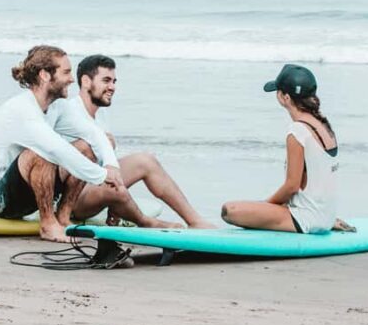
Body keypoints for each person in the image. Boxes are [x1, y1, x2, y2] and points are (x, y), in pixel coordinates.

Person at [0, 45, 125, 243]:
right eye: (66, 72)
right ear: (45, 75)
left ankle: (63, 217)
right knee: (42, 152)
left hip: (30, 192)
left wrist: (111, 165)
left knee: (86, 146)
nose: (72, 79)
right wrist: (101, 176)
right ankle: (48, 224)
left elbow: (94, 133)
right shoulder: (22, 109)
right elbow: (55, 149)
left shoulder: (56, 107)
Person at [70, 54, 215, 229]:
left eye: (114, 81)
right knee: (112, 184)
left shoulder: (100, 114)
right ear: (86, 81)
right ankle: (147, 222)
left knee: (146, 160)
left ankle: (195, 222)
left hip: (97, 184)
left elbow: (108, 164)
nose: (112, 87)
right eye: (106, 80)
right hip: (73, 198)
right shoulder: (68, 112)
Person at [220, 64, 353, 234]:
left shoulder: (297, 131)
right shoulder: (323, 125)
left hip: (306, 219)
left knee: (230, 210)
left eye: (278, 91)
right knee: (254, 210)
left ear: (286, 98)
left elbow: (292, 186)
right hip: (325, 216)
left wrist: (266, 205)